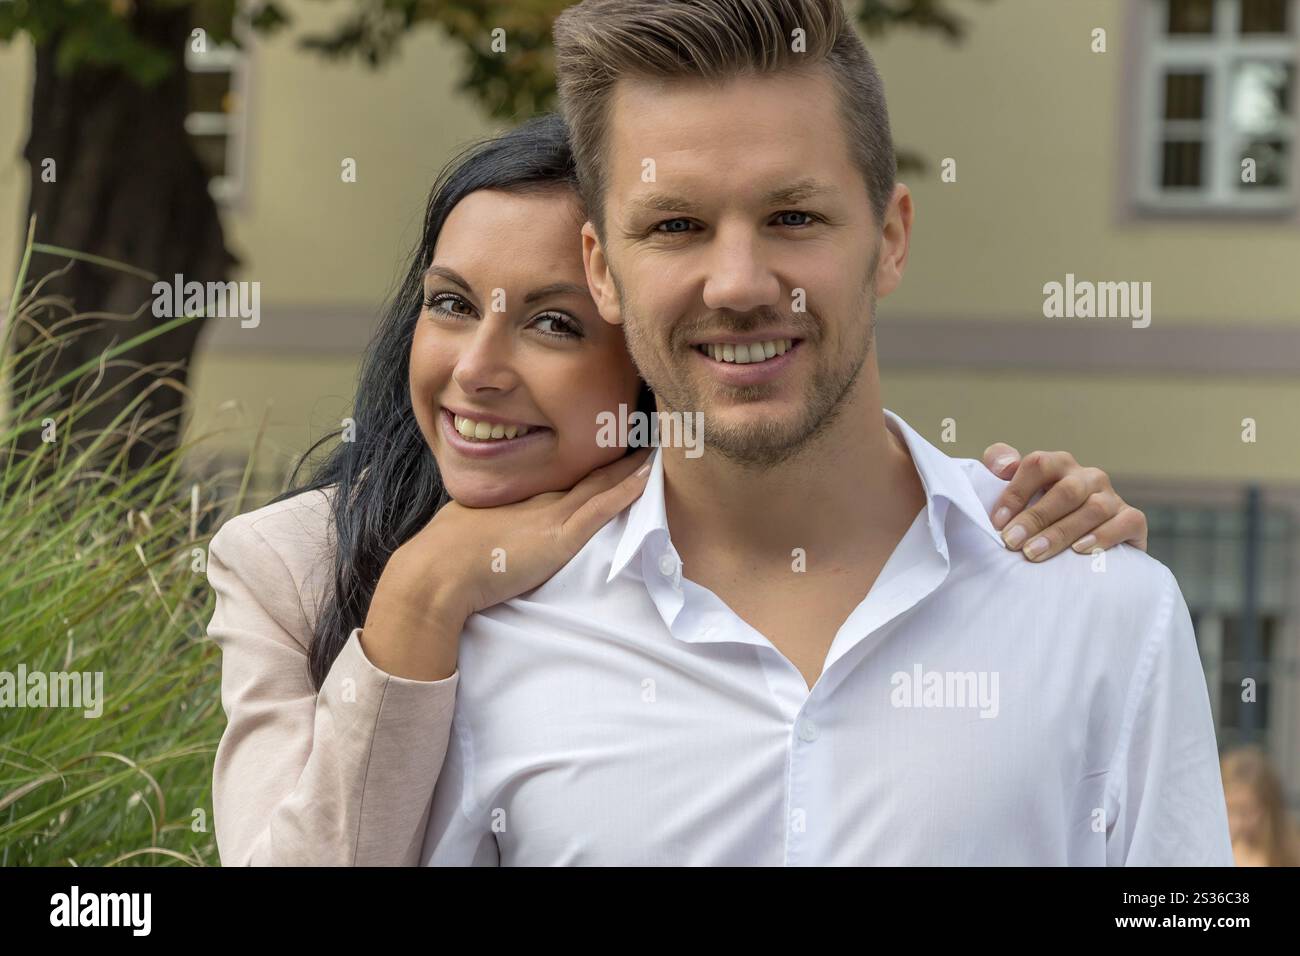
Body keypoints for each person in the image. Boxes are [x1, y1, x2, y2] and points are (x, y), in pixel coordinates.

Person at [208, 114, 1148, 866]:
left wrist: (1050, 583)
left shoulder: (722, 560)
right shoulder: (290, 567)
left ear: (647, 353)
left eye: (552, 324)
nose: (479, 370)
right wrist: (421, 597)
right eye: (451, 304)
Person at [417, 0, 1233, 865]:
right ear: (601, 270)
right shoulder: (494, 639)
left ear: (889, 238)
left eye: (793, 218)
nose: (737, 284)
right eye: (676, 227)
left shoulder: (1102, 607)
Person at [1222, 746, 1300, 866]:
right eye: (1229, 810)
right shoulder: (1217, 848)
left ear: (1269, 807)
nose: (1236, 821)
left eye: (1245, 811)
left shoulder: (1288, 852)